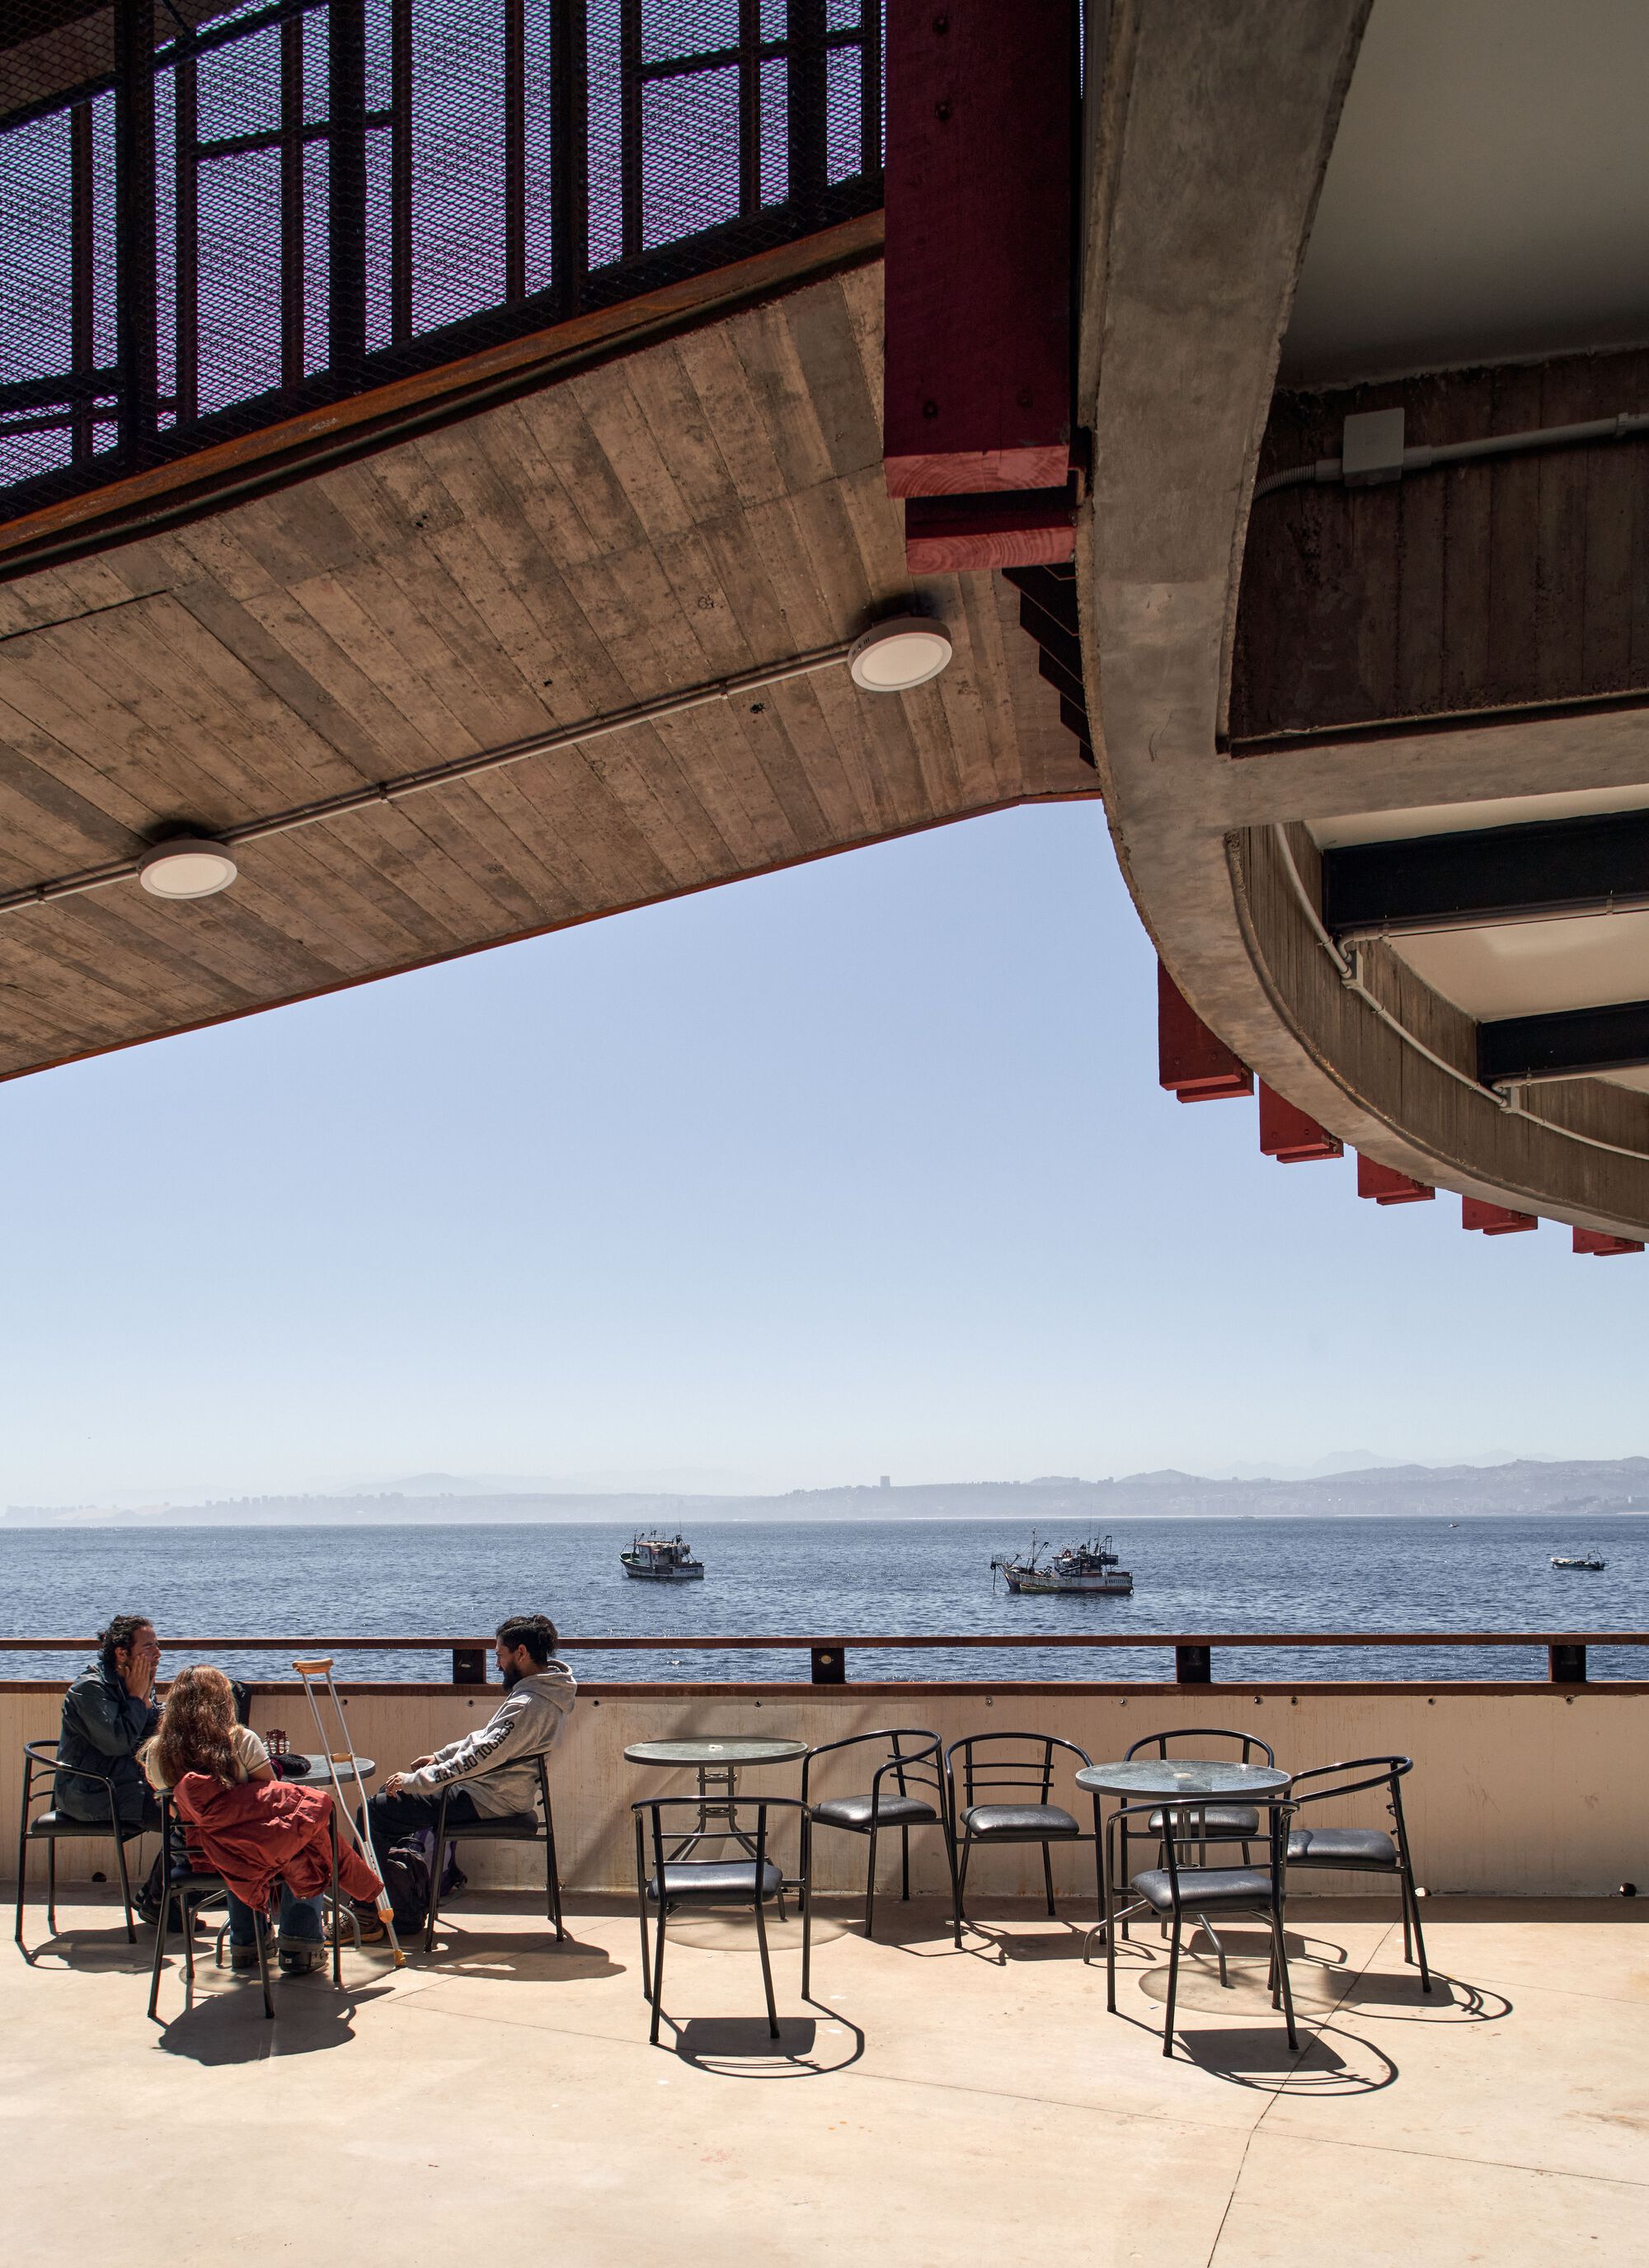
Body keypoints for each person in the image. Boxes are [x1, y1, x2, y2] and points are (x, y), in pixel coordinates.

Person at [143, 1666, 377, 1974]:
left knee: (231, 1840)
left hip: (194, 1855)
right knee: (299, 1837)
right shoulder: (239, 1740)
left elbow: (173, 1812)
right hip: (244, 1853)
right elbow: (270, 1793)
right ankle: (301, 1945)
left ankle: (247, 1943)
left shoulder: (157, 1751)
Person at [359, 1613, 575, 1931]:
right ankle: (396, 1903)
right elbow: (484, 1741)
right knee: (387, 1803)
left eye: (500, 1655)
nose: (497, 1663)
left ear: (521, 1653)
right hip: (498, 1791)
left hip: (488, 1799)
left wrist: (417, 1782)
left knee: (372, 1811)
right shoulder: (545, 1691)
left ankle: (376, 1914)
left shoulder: (528, 1702)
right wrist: (439, 1756)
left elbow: (479, 1759)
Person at [57, 1614, 164, 1914]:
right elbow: (117, 1743)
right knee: (184, 1818)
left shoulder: (137, 1681)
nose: (157, 1653)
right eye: (148, 1646)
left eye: (157, 1645)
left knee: (199, 1802)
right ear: (121, 1652)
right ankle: (159, 1899)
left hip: (129, 1783)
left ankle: (162, 1893)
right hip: (92, 1790)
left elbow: (146, 1734)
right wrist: (137, 1700)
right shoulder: (90, 1689)